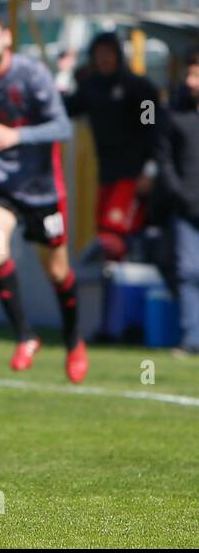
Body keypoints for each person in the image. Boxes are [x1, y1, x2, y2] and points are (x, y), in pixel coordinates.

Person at [0, 8, 87, 382]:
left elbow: (62, 126)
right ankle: (25, 337)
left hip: (40, 188)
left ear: (7, 38)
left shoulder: (31, 74)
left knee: (58, 272)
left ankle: (74, 340)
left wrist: (16, 136)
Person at [58, 32, 160, 261]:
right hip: (106, 176)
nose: (104, 59)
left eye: (109, 54)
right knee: (106, 233)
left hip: (133, 176)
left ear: (118, 56)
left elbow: (154, 129)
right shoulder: (91, 88)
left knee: (114, 235)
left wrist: (151, 170)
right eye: (99, 55)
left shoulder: (140, 90)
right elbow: (67, 107)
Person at [155, 49, 199, 358]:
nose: (191, 80)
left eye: (196, 74)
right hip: (185, 206)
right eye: (189, 73)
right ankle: (192, 337)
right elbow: (164, 158)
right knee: (186, 270)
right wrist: (179, 192)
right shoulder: (174, 112)